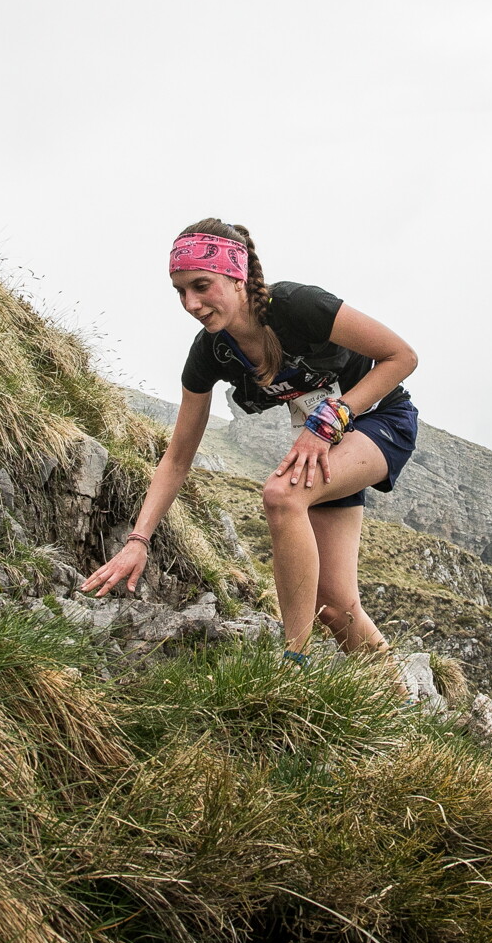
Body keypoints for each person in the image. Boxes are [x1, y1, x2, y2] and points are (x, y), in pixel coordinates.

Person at [79, 219, 419, 665]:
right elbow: (178, 457)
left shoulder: (299, 306)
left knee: (281, 495)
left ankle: (292, 664)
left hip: (381, 419)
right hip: (326, 443)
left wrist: (332, 418)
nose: (191, 303)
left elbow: (402, 356)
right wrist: (138, 539)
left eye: (202, 285)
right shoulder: (211, 353)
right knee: (333, 607)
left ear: (238, 276)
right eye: (180, 291)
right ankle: (401, 704)